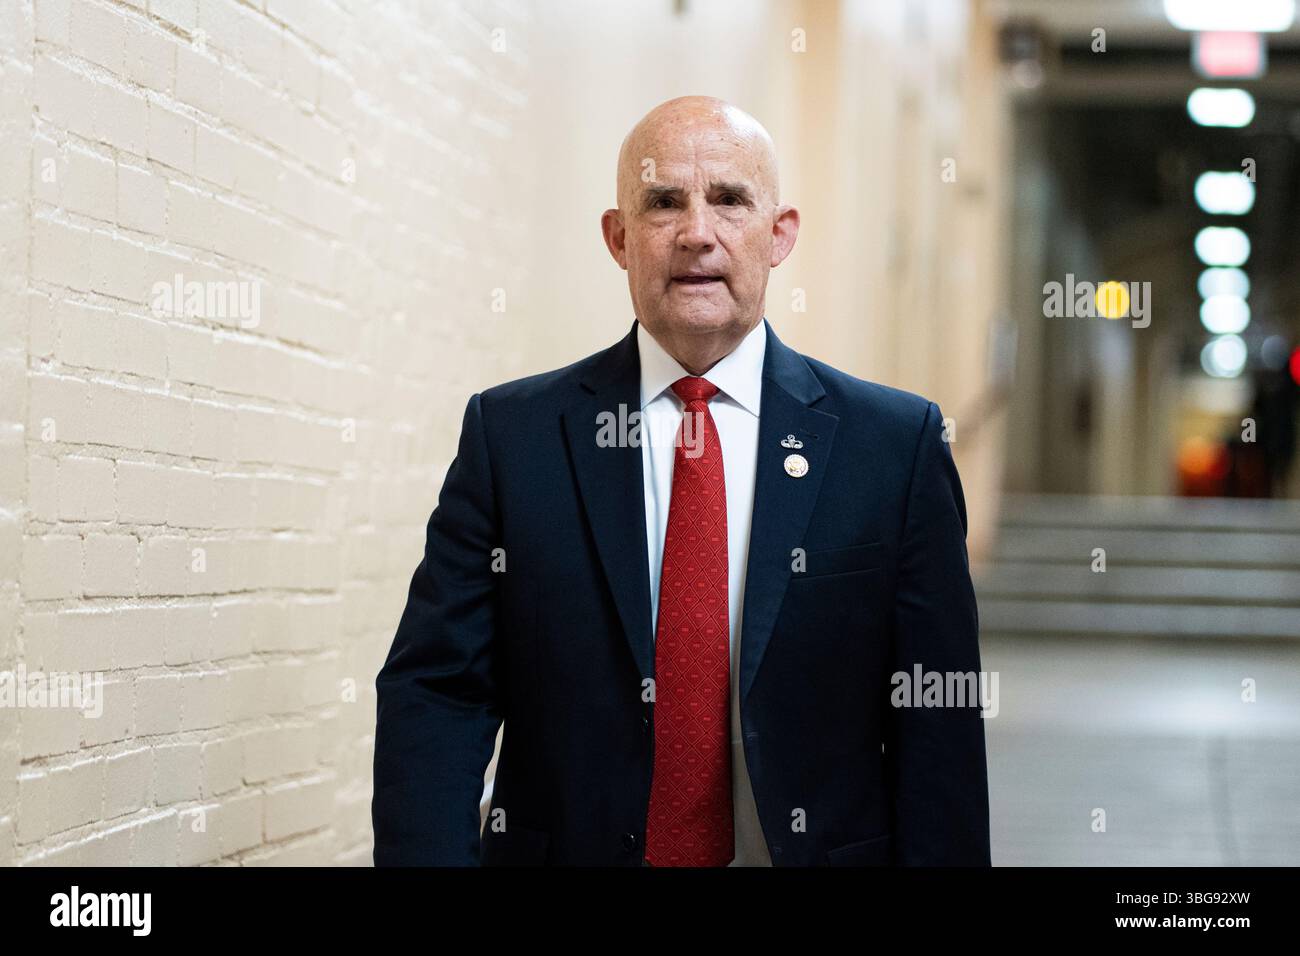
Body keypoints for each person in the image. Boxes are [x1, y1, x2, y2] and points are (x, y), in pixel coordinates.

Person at [372, 95, 991, 867]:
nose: (698, 233)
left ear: (780, 234)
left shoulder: (892, 448)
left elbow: (938, 722)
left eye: (730, 201)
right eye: (664, 203)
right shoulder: (515, 438)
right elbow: (438, 691)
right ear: (619, 238)